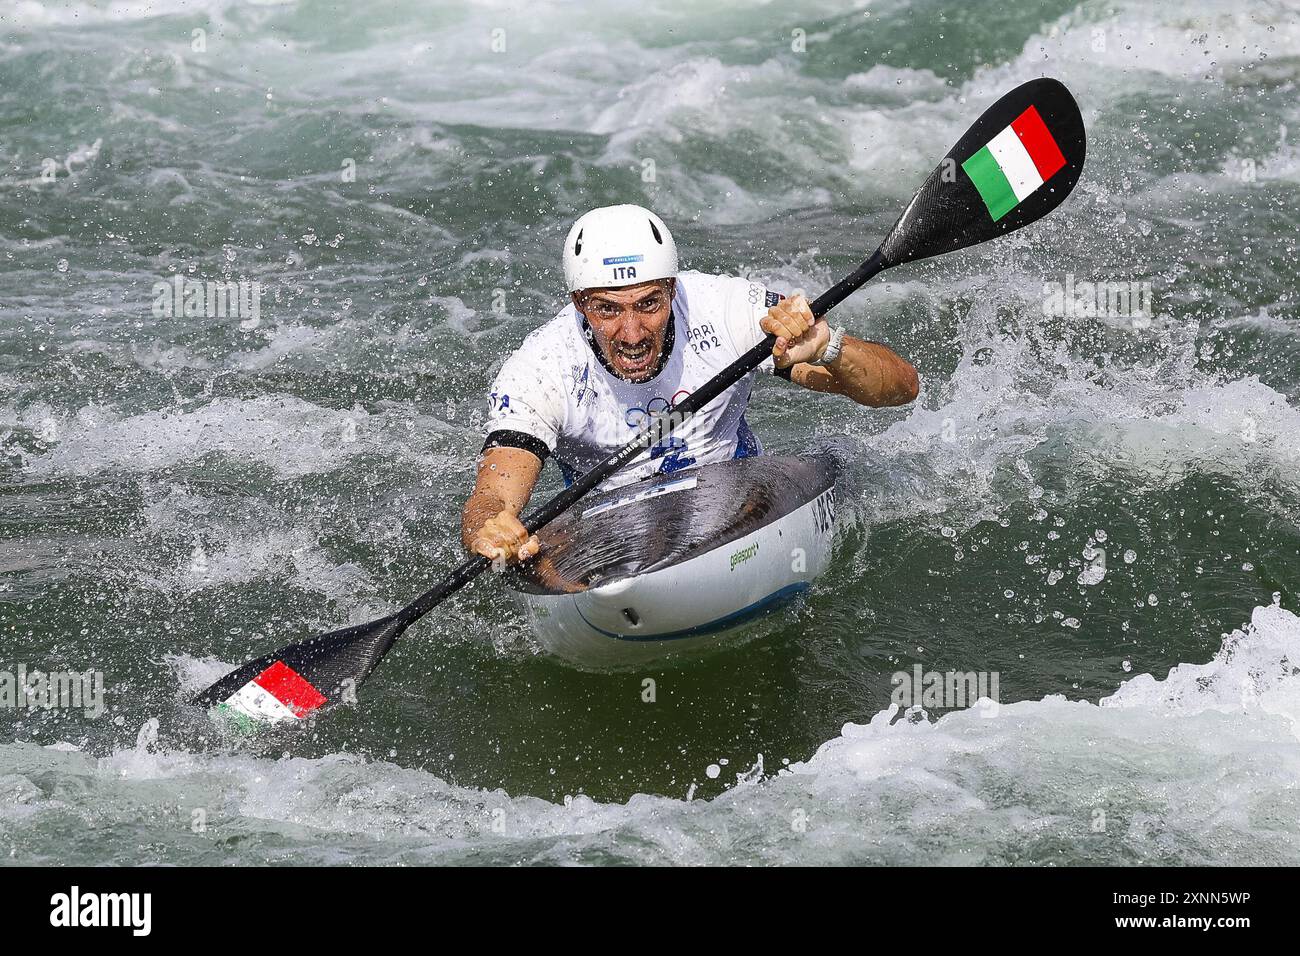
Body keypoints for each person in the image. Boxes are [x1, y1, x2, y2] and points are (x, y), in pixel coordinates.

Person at [462, 204, 919, 564]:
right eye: (607, 309)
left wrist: (828, 347)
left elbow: (901, 389)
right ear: (579, 304)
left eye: (649, 304)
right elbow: (494, 494)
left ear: (673, 290)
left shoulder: (729, 311)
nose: (632, 331)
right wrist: (491, 526)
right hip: (615, 536)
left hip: (739, 507)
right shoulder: (541, 367)